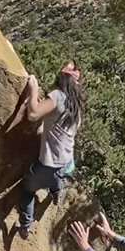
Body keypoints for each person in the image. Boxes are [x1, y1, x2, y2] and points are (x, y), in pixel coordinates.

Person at [17, 61, 85, 239]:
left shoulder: (57, 96)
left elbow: (32, 115)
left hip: (49, 164)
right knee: (57, 179)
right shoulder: (76, 106)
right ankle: (56, 192)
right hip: (68, 163)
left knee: (27, 190)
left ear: (61, 78)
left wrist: (33, 87)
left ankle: (26, 225)